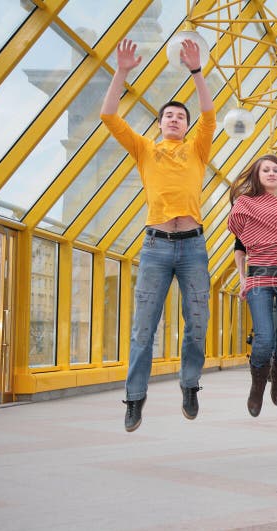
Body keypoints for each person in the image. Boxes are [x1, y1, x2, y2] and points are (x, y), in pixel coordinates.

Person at [101, 38, 215, 432]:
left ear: (186, 125)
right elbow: (109, 115)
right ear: (159, 123)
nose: (174, 120)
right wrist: (122, 72)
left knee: (197, 323)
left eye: (180, 117)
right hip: (155, 247)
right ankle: (135, 397)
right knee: (143, 327)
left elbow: (209, 113)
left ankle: (189, 385)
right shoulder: (145, 149)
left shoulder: (197, 149)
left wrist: (196, 71)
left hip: (193, 246)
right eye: (168, 116)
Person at [227, 155, 277, 417]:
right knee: (263, 340)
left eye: (276, 170)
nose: (272, 173)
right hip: (259, 278)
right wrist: (242, 278)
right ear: (257, 175)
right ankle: (258, 384)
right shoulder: (245, 204)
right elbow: (240, 244)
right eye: (266, 170)